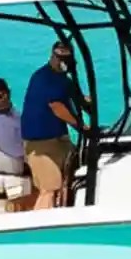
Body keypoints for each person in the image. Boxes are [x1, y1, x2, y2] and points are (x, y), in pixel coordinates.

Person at [21, 41, 85, 209]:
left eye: (65, 58)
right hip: (41, 144)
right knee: (49, 189)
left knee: (67, 180)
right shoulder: (44, 78)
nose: (61, 61)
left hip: (59, 140)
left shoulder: (63, 79)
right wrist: (82, 127)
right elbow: (57, 107)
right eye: (58, 57)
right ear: (52, 56)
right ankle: (39, 227)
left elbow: (80, 99)